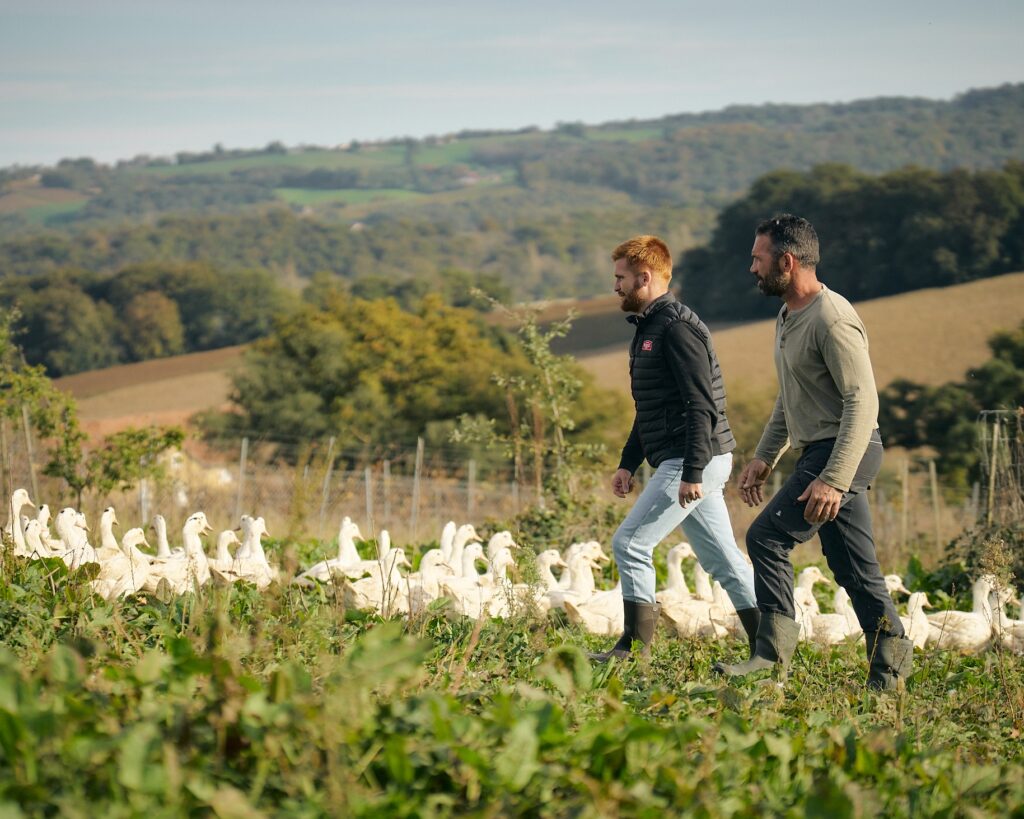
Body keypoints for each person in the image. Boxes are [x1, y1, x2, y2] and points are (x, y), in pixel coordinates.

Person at [716, 214, 912, 691]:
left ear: (787, 261)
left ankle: (770, 661)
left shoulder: (833, 318)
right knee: (852, 567)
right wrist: (764, 457)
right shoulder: (788, 317)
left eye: (758, 259)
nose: (752, 269)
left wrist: (835, 478)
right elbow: (792, 394)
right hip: (819, 452)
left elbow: (863, 402)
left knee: (766, 538)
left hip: (845, 450)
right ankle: (891, 676)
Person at [589, 235, 759, 662]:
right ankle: (771, 645)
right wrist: (628, 463)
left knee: (630, 543)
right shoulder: (650, 326)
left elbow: (701, 403)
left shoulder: (677, 327)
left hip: (692, 458)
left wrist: (693, 473)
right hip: (691, 457)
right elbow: (650, 405)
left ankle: (633, 650)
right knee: (723, 560)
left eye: (620, 278)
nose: (615, 286)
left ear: (644, 277)